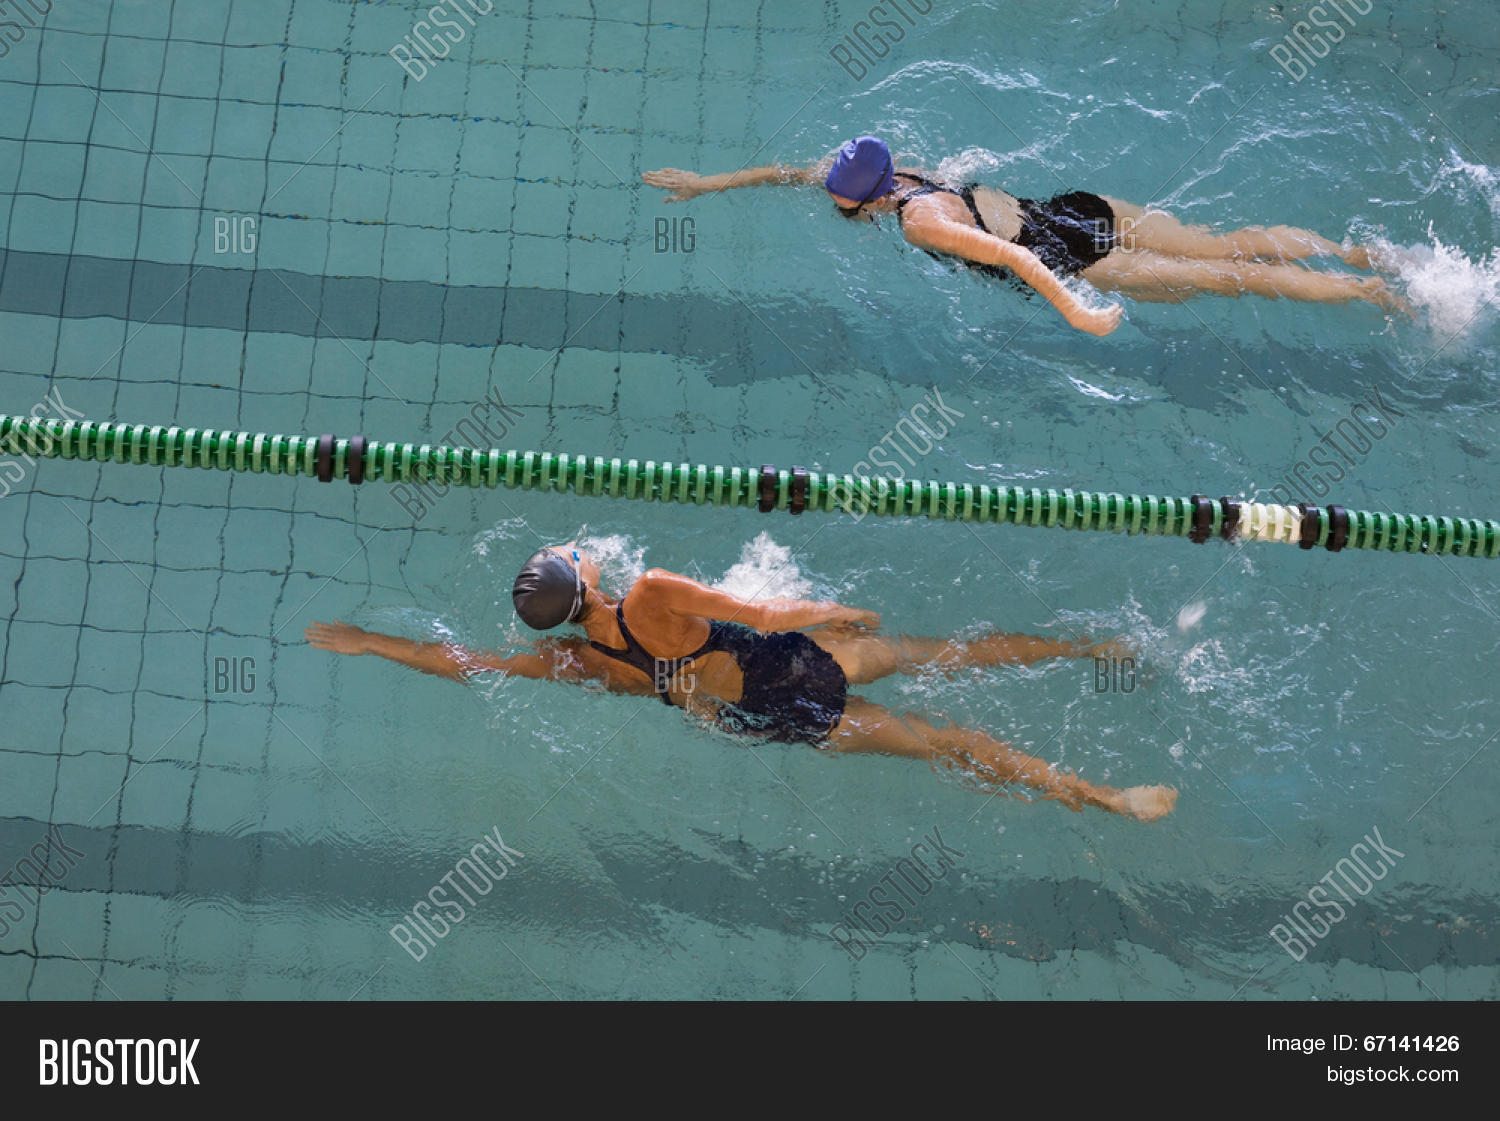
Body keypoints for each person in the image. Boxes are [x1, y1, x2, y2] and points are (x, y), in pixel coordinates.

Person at [305, 543, 1178, 822]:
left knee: (942, 745)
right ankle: (1084, 650)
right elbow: (758, 610)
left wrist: (368, 641)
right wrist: (833, 608)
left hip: (755, 717)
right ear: (587, 580)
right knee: (945, 651)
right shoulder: (648, 595)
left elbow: (463, 664)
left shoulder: (572, 662)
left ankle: (1104, 798)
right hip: (790, 663)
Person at [643, 135, 1403, 336]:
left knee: (1231, 278)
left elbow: (1006, 255)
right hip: (1080, 206)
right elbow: (794, 171)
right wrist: (711, 184)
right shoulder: (902, 172)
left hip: (1067, 256)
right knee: (1224, 241)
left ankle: (1366, 290)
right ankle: (1351, 253)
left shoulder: (919, 222)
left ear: (868, 205)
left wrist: (1072, 306)